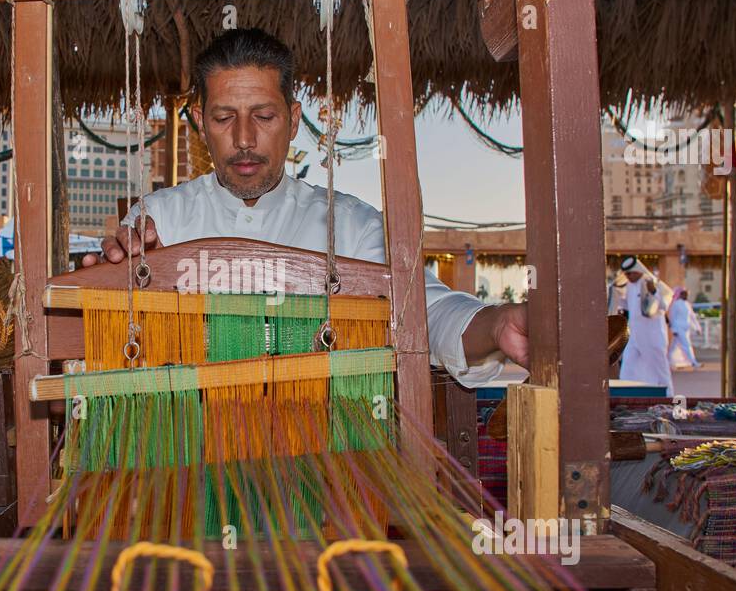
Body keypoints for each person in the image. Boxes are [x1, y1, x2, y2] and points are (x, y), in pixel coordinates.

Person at [83, 27, 528, 385]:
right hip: (189, 467)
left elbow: (425, 312)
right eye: (223, 118)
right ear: (200, 123)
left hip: (319, 468)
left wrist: (495, 325)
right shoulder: (159, 221)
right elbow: (117, 339)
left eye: (264, 117)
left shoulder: (352, 228)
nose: (243, 139)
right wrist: (104, 289)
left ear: (294, 119)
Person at [612, 256, 674, 396]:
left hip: (652, 336)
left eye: (630, 273)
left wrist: (654, 292)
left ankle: (670, 398)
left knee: (660, 370)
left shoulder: (652, 283)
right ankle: (626, 398)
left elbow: (663, 305)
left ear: (637, 271)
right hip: (634, 336)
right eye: (626, 274)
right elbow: (628, 306)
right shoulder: (629, 286)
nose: (628, 277)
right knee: (628, 369)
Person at [667, 288, 700, 370]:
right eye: (684, 294)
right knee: (686, 345)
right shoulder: (676, 304)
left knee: (673, 347)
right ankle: (694, 362)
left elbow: (692, 317)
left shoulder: (687, 304)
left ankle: (667, 362)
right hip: (678, 328)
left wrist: (697, 328)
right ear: (680, 295)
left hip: (686, 328)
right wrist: (674, 329)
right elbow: (672, 317)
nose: (686, 296)